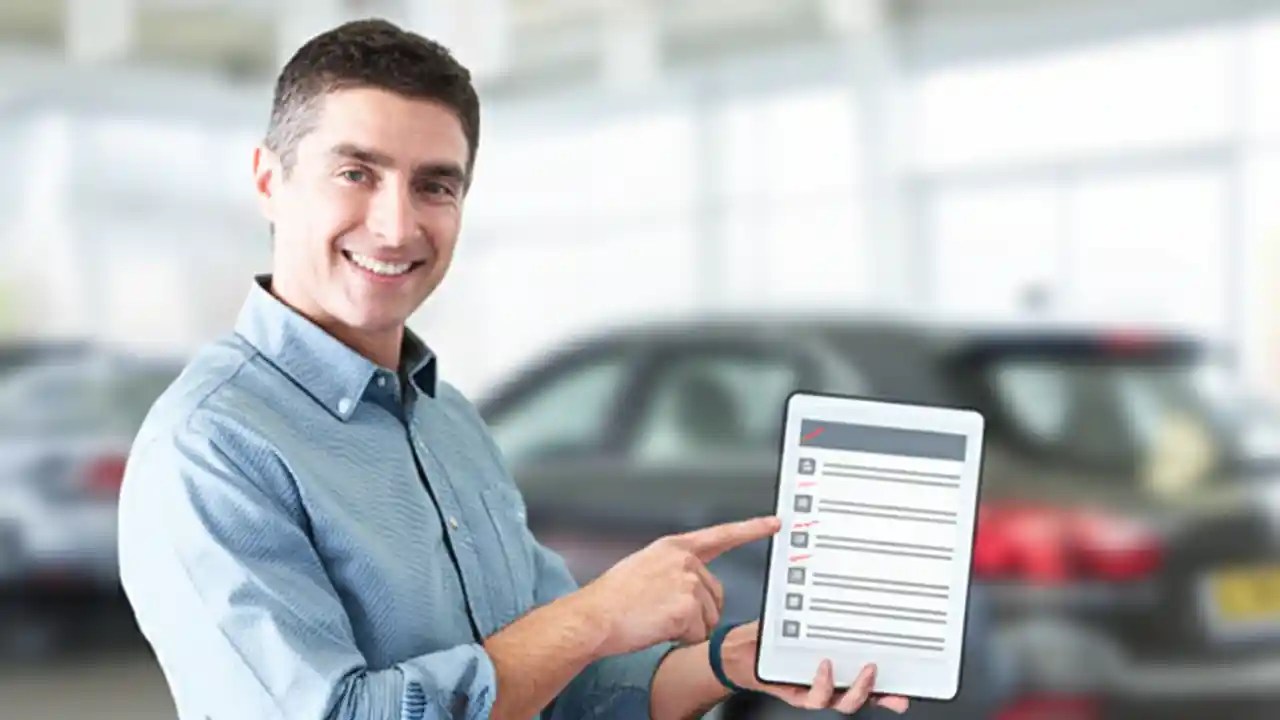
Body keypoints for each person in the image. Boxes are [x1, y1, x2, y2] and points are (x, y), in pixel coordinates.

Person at [117, 18, 910, 719]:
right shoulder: (211, 446)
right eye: (356, 173)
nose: (395, 226)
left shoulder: (448, 422)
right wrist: (596, 616)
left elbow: (567, 691)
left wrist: (728, 663)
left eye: (434, 185)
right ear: (269, 180)